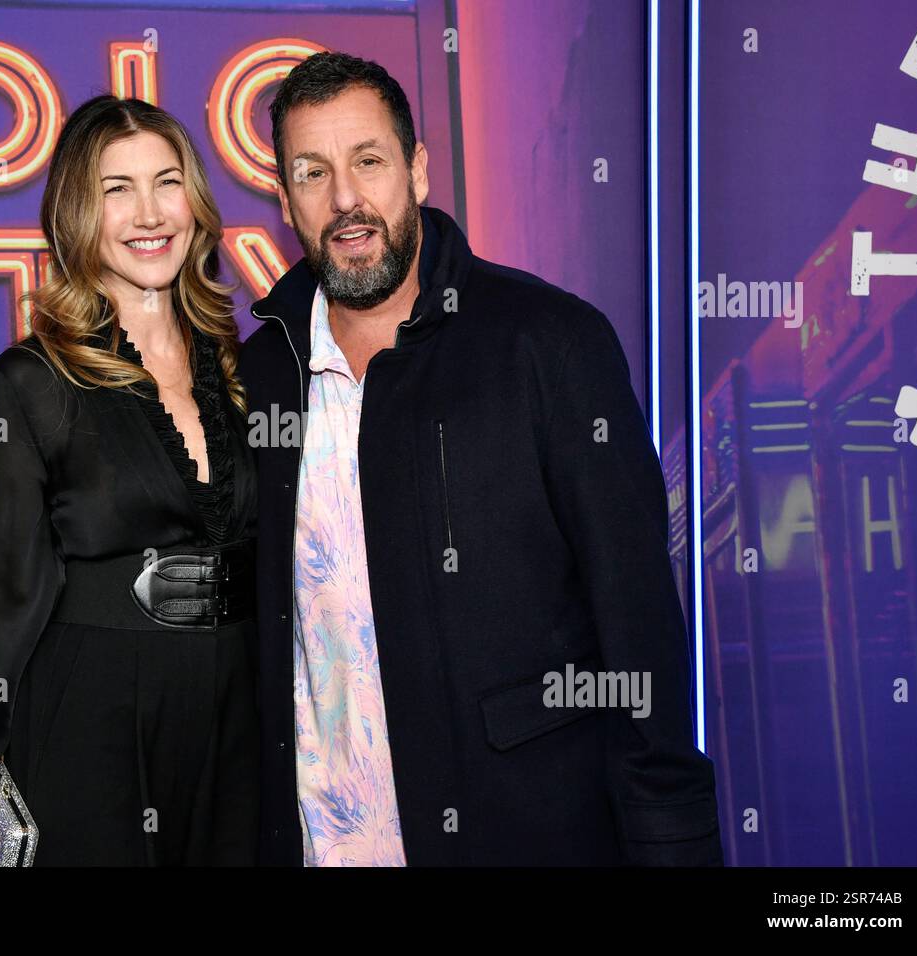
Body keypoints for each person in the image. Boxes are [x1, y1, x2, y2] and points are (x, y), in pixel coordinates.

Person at [238, 51, 724, 866]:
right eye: (313, 172)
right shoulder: (259, 377)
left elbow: (637, 624)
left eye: (369, 161)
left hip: (525, 836)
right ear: (284, 197)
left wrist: (671, 843)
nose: (346, 200)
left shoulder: (549, 343)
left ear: (417, 170)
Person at [0, 96, 258, 866]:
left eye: (166, 182)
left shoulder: (248, 367)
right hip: (93, 713)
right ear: (78, 213)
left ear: (196, 203)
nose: (148, 212)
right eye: (116, 189)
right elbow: (9, 589)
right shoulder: (29, 383)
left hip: (241, 704)